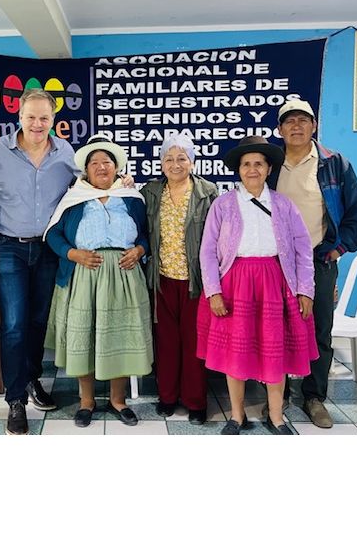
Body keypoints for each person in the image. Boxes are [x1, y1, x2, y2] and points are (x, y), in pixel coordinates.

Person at [0, 88, 79, 434]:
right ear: (19, 117)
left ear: (53, 120)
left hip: (48, 248)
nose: (37, 124)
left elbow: (84, 186)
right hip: (9, 248)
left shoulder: (65, 152)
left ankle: (33, 381)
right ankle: (15, 399)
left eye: (44, 118)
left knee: (37, 321)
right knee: (15, 323)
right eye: (31, 117)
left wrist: (120, 182)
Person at [197, 135, 317, 435]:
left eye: (259, 164)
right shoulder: (224, 205)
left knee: (275, 352)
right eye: (246, 164)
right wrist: (213, 291)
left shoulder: (283, 204)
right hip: (234, 284)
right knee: (235, 353)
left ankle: (276, 416)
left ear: (267, 168)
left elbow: (302, 247)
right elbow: (208, 250)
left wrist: (305, 289)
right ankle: (237, 415)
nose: (252, 169)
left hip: (275, 283)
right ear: (238, 169)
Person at [44, 134, 153, 427]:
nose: (101, 167)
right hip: (85, 275)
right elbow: (53, 234)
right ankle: (87, 401)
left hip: (124, 275)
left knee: (117, 336)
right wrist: (73, 254)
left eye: (107, 161)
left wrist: (140, 249)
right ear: (86, 170)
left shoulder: (131, 198)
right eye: (95, 162)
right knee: (86, 337)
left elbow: (146, 234)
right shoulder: (73, 199)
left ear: (117, 167)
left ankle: (118, 400)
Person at [273, 98, 357, 428]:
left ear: (314, 125)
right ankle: (278, 395)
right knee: (276, 330)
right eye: (289, 121)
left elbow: (355, 211)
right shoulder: (270, 165)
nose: (296, 126)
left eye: (303, 120)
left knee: (319, 331)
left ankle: (314, 397)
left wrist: (338, 251)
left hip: (319, 260)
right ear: (280, 129)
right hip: (277, 263)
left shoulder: (334, 164)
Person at [140, 130, 218, 424]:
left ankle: (196, 401)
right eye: (169, 158)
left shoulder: (207, 192)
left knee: (194, 342)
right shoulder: (151, 192)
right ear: (161, 163)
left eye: (181, 158)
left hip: (196, 282)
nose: (175, 164)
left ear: (192, 161)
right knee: (167, 342)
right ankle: (168, 397)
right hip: (161, 279)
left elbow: (216, 238)